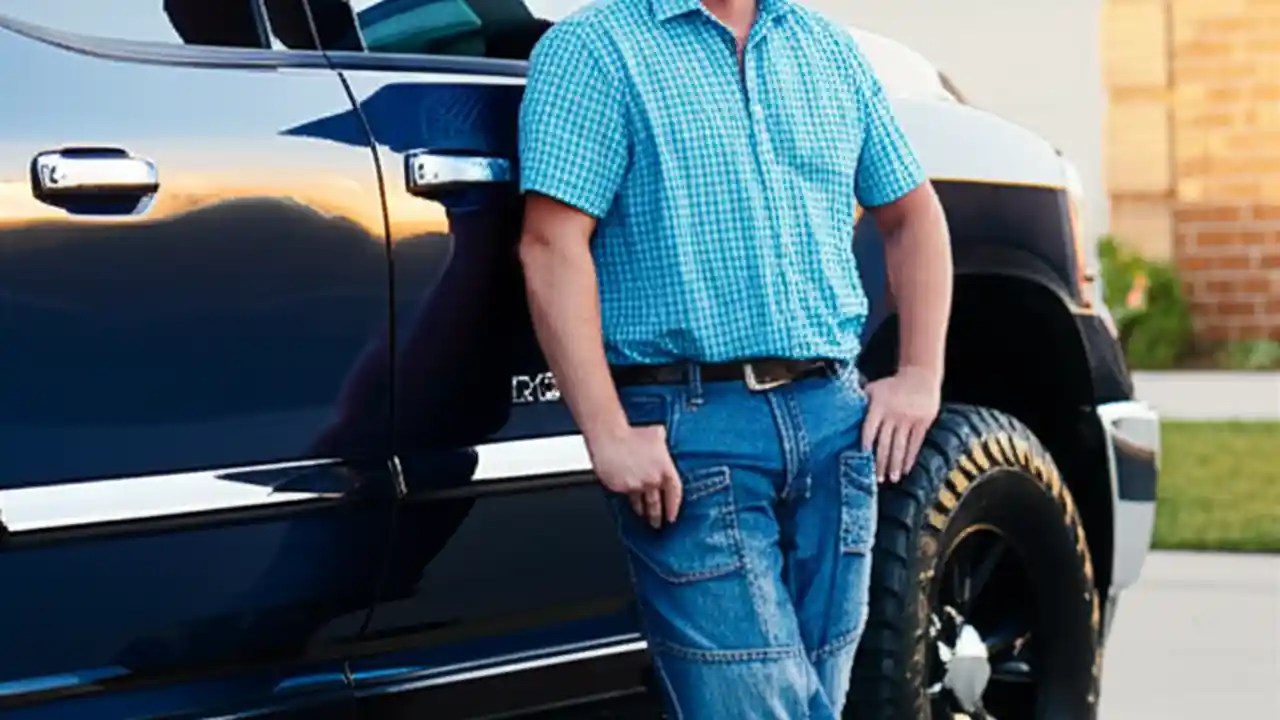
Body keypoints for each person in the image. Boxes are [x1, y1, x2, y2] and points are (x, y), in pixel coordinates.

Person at [517, 0, 953, 716]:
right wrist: (606, 429)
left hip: (838, 430)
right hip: (695, 439)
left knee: (816, 703)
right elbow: (551, 244)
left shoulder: (826, 49)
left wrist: (919, 375)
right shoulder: (594, 50)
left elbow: (912, 214)